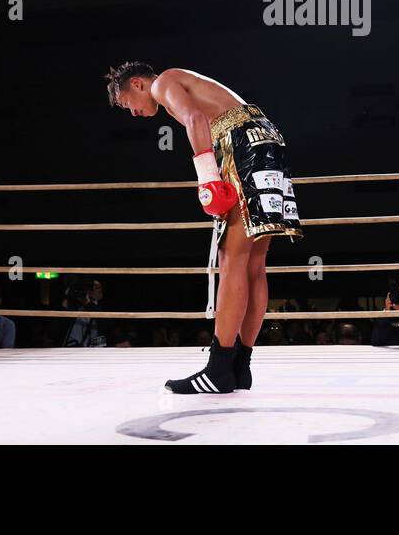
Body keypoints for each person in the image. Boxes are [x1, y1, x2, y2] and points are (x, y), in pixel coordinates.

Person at [107, 62, 301, 392]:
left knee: (232, 259)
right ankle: (240, 366)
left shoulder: (163, 82)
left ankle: (219, 369)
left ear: (138, 84)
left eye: (128, 104)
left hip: (242, 145)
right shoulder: (184, 82)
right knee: (254, 263)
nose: (134, 114)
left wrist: (208, 178)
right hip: (265, 139)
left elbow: (195, 119)